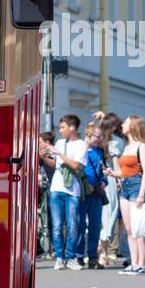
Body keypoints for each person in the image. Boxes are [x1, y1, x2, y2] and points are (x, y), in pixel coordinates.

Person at [42, 114, 87, 270]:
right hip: (56, 187)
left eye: (63, 127)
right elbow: (55, 165)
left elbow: (76, 166)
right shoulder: (60, 143)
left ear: (72, 128)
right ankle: (60, 257)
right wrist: (43, 155)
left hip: (72, 188)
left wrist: (59, 153)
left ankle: (71, 257)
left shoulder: (81, 145)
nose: (60, 130)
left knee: (73, 225)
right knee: (57, 225)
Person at [116, 115, 145, 275]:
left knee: (140, 229)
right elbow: (125, 171)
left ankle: (142, 265)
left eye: (125, 122)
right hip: (125, 186)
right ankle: (134, 262)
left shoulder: (141, 146)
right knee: (130, 229)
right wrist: (113, 173)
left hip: (137, 187)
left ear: (132, 126)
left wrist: (142, 194)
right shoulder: (127, 147)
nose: (122, 124)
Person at [79, 122, 109, 269]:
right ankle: (78, 256)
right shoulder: (79, 149)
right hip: (80, 192)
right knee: (79, 225)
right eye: (97, 136)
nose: (100, 139)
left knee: (95, 226)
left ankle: (92, 257)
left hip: (96, 193)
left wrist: (104, 181)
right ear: (88, 135)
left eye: (101, 136)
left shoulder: (99, 151)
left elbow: (102, 169)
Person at [98, 111, 126, 267]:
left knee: (102, 215)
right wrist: (118, 178)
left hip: (100, 178)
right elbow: (116, 162)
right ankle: (105, 251)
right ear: (114, 126)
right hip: (112, 177)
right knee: (111, 214)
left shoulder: (101, 140)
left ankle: (103, 251)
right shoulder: (116, 141)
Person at [37, 130, 55, 257]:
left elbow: (53, 165)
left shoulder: (52, 153)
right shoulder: (42, 154)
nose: (37, 144)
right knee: (49, 220)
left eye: (39, 141)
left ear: (47, 142)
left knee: (56, 221)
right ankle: (51, 248)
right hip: (49, 189)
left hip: (56, 189)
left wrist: (42, 155)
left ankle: (56, 249)